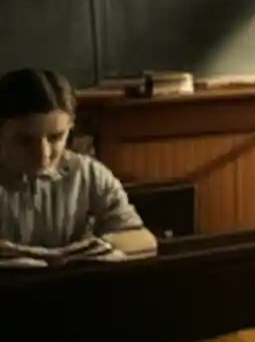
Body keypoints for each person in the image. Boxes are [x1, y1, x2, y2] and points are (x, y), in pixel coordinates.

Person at [0, 68, 156, 257]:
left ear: (70, 128)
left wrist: (91, 248)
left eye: (55, 137)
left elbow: (142, 239)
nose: (43, 155)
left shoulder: (88, 174)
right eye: (25, 141)